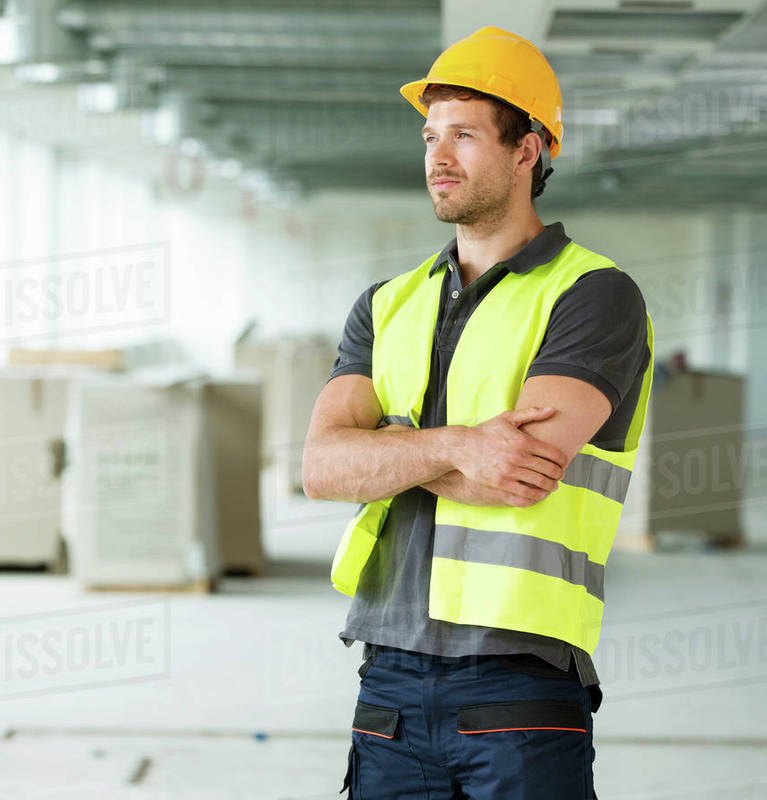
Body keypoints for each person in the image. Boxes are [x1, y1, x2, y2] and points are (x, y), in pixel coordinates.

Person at [302, 25, 654, 800]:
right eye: (431, 135)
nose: (437, 157)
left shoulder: (593, 295)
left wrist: (387, 452)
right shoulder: (387, 304)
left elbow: (520, 473)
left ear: (527, 151)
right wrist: (460, 444)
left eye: (463, 134)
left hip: (520, 681)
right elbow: (323, 468)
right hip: (387, 678)